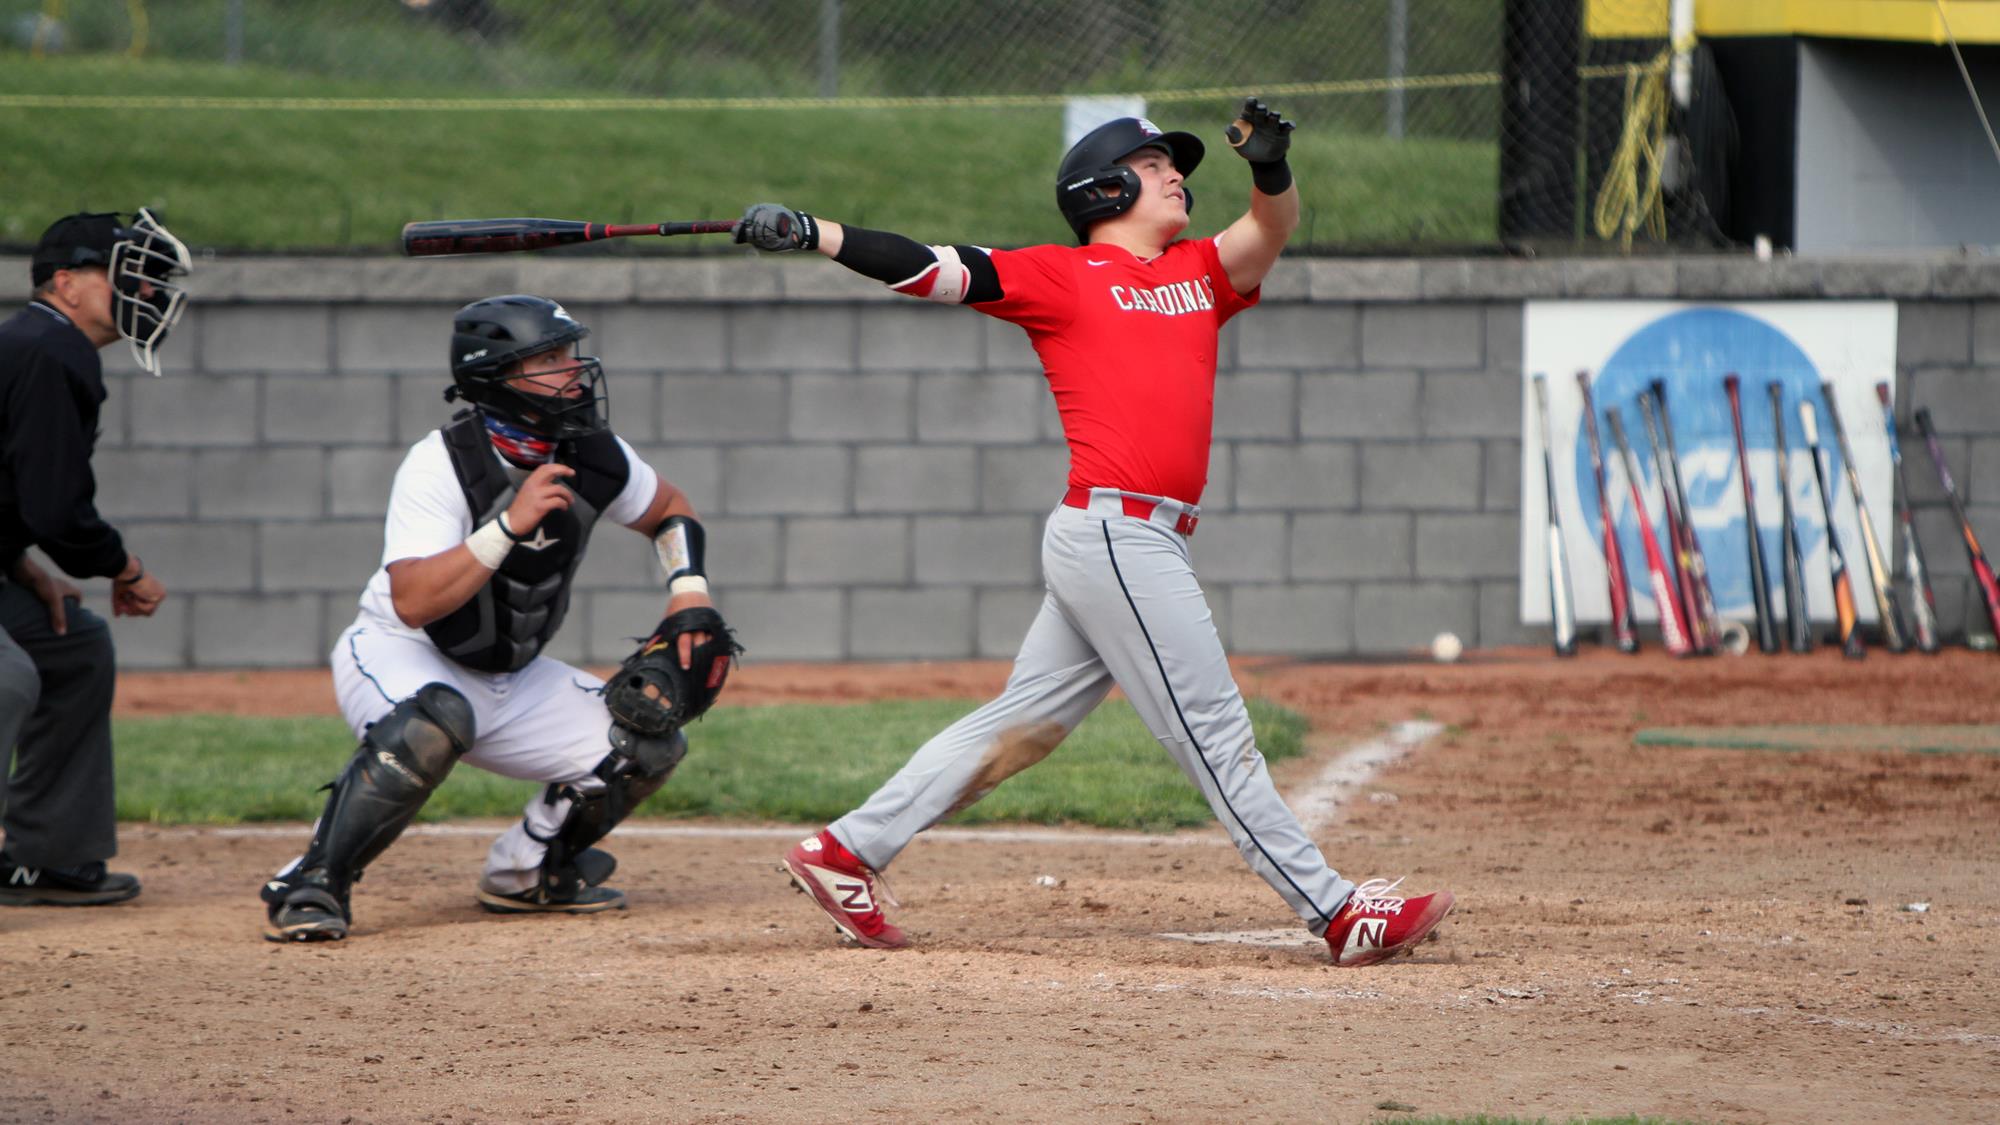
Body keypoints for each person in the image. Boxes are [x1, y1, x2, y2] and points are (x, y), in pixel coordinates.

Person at [737, 99, 1456, 966]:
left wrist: (1271, 166)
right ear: (1106, 188)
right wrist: (817, 232)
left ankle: (846, 852)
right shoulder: (1061, 275)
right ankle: (1338, 912)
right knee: (1213, 730)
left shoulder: (1197, 270)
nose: (1177, 176)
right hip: (1116, 533)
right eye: (1157, 168)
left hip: (1130, 540)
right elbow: (932, 266)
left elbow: (1272, 228)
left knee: (1025, 722)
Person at [259, 295, 738, 942]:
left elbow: (672, 508)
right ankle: (313, 879)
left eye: (569, 351)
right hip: (403, 649)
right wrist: (510, 524)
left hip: (511, 673)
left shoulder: (595, 451)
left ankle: (529, 869)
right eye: (548, 357)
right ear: (496, 377)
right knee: (430, 724)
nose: (572, 369)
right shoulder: (443, 461)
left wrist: (689, 589)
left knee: (646, 742)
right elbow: (415, 599)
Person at [1, 210, 189, 907]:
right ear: (64, 285)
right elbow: (57, 508)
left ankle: (45, 856)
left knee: (71, 650)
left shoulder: (40, 347)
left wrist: (19, 566)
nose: (142, 291)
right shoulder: (49, 352)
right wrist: (124, 568)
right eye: (121, 276)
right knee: (7, 676)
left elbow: (15, 488)